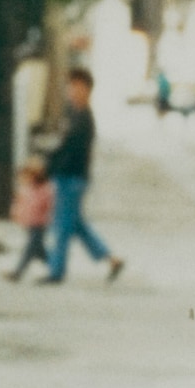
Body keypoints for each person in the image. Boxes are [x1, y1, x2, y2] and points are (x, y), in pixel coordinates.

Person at [43, 67, 126, 284]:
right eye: (70, 87)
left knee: (62, 226)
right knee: (76, 225)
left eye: (77, 87)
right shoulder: (73, 114)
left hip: (73, 178)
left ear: (87, 90)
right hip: (67, 177)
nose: (72, 92)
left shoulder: (84, 119)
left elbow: (70, 151)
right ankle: (112, 259)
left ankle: (56, 271)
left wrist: (50, 167)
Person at [4, 159, 55, 281]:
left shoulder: (45, 189)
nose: (24, 179)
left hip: (39, 224)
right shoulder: (26, 189)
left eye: (27, 176)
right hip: (28, 223)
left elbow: (49, 205)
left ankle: (17, 272)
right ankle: (56, 265)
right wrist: (15, 213)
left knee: (29, 249)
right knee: (39, 251)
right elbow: (19, 203)